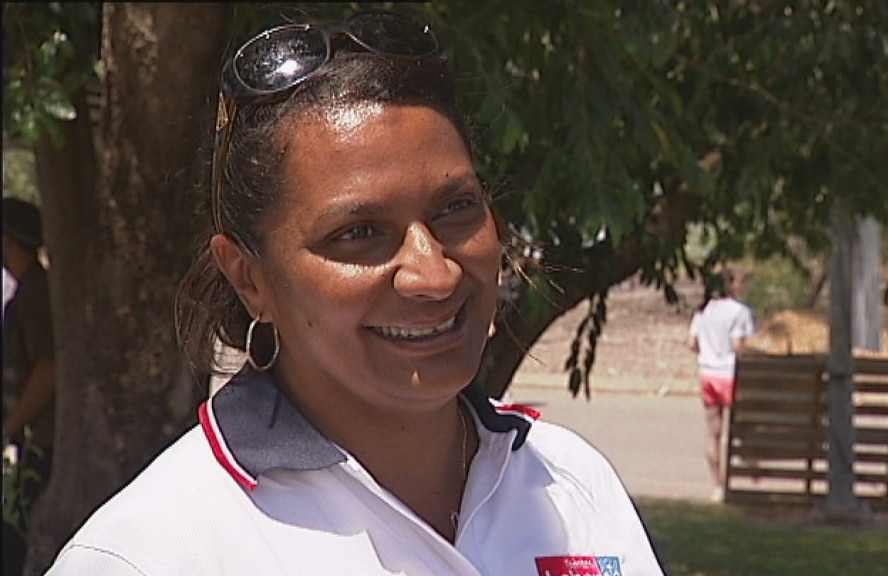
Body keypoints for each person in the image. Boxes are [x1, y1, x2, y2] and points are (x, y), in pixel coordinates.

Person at [45, 11, 665, 575]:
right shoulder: (150, 553)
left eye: (456, 208)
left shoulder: (572, 483)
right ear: (249, 278)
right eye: (360, 233)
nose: (435, 274)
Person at [3, 197, 57, 576]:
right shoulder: (25, 292)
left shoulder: (37, 293)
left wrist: (5, 430)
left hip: (46, 443)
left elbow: (48, 369)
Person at [687, 268, 755, 503]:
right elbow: (738, 346)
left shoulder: (703, 311)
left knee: (712, 433)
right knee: (729, 433)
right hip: (729, 374)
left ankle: (717, 484)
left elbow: (691, 343)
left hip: (707, 374)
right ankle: (730, 481)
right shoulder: (740, 312)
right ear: (731, 286)